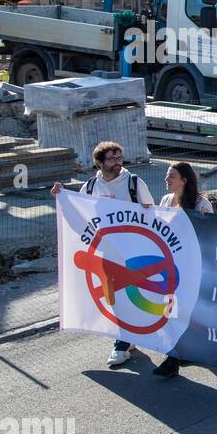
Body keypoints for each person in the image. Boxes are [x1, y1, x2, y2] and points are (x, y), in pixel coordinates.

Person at [51, 140, 154, 368]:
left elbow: (152, 214)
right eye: (112, 159)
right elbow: (77, 210)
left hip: (132, 253)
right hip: (105, 254)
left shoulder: (133, 183)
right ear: (99, 163)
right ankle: (127, 339)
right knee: (115, 298)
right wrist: (61, 194)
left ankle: (122, 344)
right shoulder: (90, 187)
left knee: (129, 297)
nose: (118, 163)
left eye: (119, 158)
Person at [150, 162, 212, 378]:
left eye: (172, 176)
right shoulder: (166, 200)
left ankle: (174, 359)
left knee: (183, 313)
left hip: (191, 268)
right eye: (167, 176)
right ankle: (179, 353)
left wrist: (206, 220)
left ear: (184, 180)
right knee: (170, 311)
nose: (167, 180)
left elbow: (209, 236)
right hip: (169, 266)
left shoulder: (201, 203)